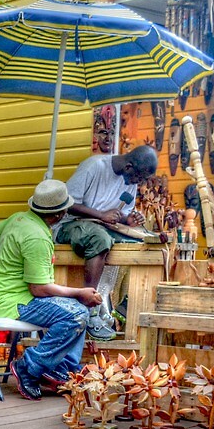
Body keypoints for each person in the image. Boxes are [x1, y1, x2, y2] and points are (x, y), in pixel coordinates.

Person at [0, 180, 103, 401]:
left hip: (12, 294)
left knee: (78, 309)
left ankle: (62, 369)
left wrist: (11, 252)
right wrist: (80, 291)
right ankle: (29, 367)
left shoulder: (18, 219)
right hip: (13, 300)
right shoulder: (36, 237)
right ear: (60, 214)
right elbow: (39, 289)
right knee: (77, 314)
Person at [54, 145, 158, 339]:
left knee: (144, 243)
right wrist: (101, 215)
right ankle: (90, 310)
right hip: (71, 225)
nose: (139, 183)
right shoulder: (94, 167)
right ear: (128, 167)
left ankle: (124, 308)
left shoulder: (130, 179)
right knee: (99, 239)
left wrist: (128, 220)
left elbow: (120, 214)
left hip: (103, 227)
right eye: (139, 178)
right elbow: (66, 204)